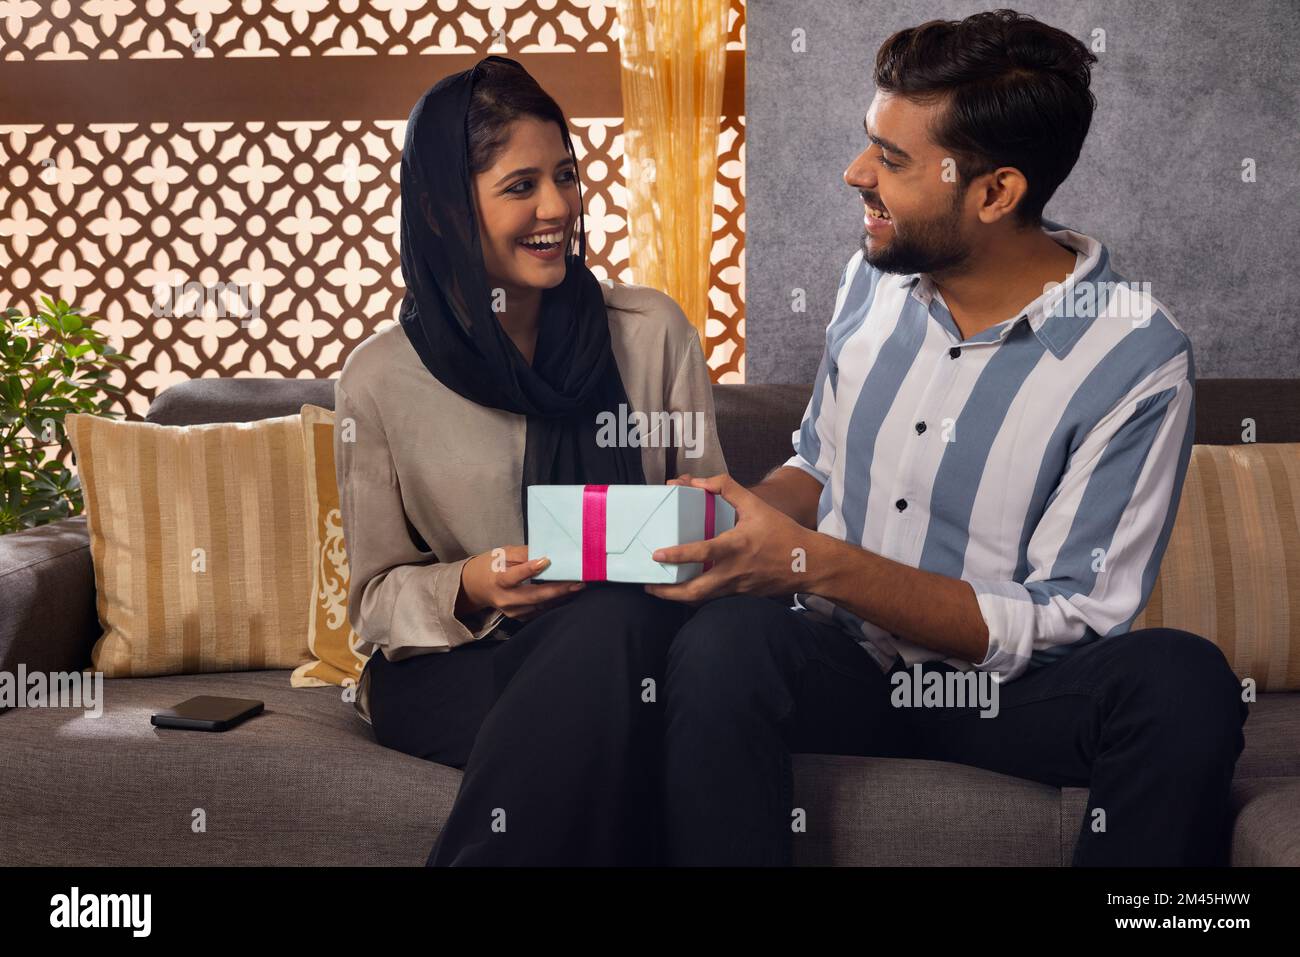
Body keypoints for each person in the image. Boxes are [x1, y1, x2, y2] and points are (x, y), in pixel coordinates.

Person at [648, 10, 1247, 866]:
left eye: (891, 161)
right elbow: (819, 463)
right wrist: (741, 514)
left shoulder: (1136, 354)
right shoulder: (873, 276)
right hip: (843, 664)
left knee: (1184, 682)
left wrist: (811, 561)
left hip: (1006, 696)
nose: (857, 174)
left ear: (996, 191)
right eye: (870, 144)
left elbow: (1073, 616)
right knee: (725, 644)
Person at [333, 55, 725, 865]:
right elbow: (373, 600)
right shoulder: (379, 379)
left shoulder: (651, 331)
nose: (557, 208)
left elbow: (721, 524)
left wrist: (697, 529)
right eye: (520, 186)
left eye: (567, 175)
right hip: (465, 666)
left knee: (614, 626)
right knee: (616, 686)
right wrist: (475, 582)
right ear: (445, 210)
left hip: (638, 642)